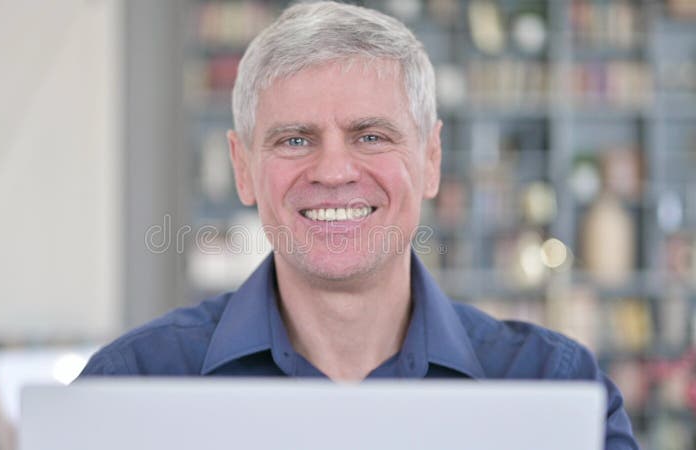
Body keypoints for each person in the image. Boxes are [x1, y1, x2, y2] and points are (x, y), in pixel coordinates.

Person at [79, 2, 638, 448]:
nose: (333, 171)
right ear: (242, 169)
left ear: (432, 159)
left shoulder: (556, 390)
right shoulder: (130, 388)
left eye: (371, 136)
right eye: (294, 139)